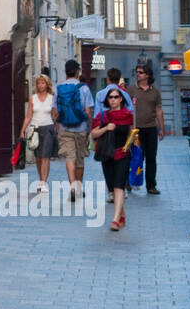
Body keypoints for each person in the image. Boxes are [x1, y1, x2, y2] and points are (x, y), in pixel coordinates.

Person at [90, 89, 134, 231]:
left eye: (116, 97)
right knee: (112, 188)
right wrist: (106, 129)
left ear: (121, 99)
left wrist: (130, 144)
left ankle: (115, 220)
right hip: (107, 155)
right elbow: (93, 134)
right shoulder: (103, 116)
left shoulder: (128, 115)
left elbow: (131, 133)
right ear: (107, 100)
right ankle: (121, 215)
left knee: (118, 186)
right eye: (110, 97)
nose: (113, 100)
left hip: (123, 154)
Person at [54, 59, 95, 203]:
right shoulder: (83, 88)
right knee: (80, 159)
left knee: (69, 157)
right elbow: (88, 110)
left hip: (65, 127)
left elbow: (55, 111)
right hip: (81, 128)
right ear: (77, 72)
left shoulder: (59, 88)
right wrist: (89, 127)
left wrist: (56, 125)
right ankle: (78, 187)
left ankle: (72, 186)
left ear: (66, 72)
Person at [18, 75, 58, 194]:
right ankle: (41, 180)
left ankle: (44, 183)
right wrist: (22, 130)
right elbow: (29, 115)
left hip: (48, 128)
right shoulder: (33, 98)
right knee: (38, 157)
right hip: (35, 129)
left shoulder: (52, 98)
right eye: (39, 83)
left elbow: (56, 113)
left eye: (43, 83)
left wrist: (53, 123)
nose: (41, 85)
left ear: (47, 84)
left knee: (45, 156)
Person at [130, 64, 166, 194]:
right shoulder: (132, 90)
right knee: (135, 157)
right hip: (136, 129)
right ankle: (131, 181)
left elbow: (159, 110)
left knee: (151, 158)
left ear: (147, 75)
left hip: (151, 128)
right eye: (137, 72)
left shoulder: (155, 91)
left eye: (140, 72)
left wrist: (162, 128)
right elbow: (127, 109)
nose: (137, 74)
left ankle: (151, 185)